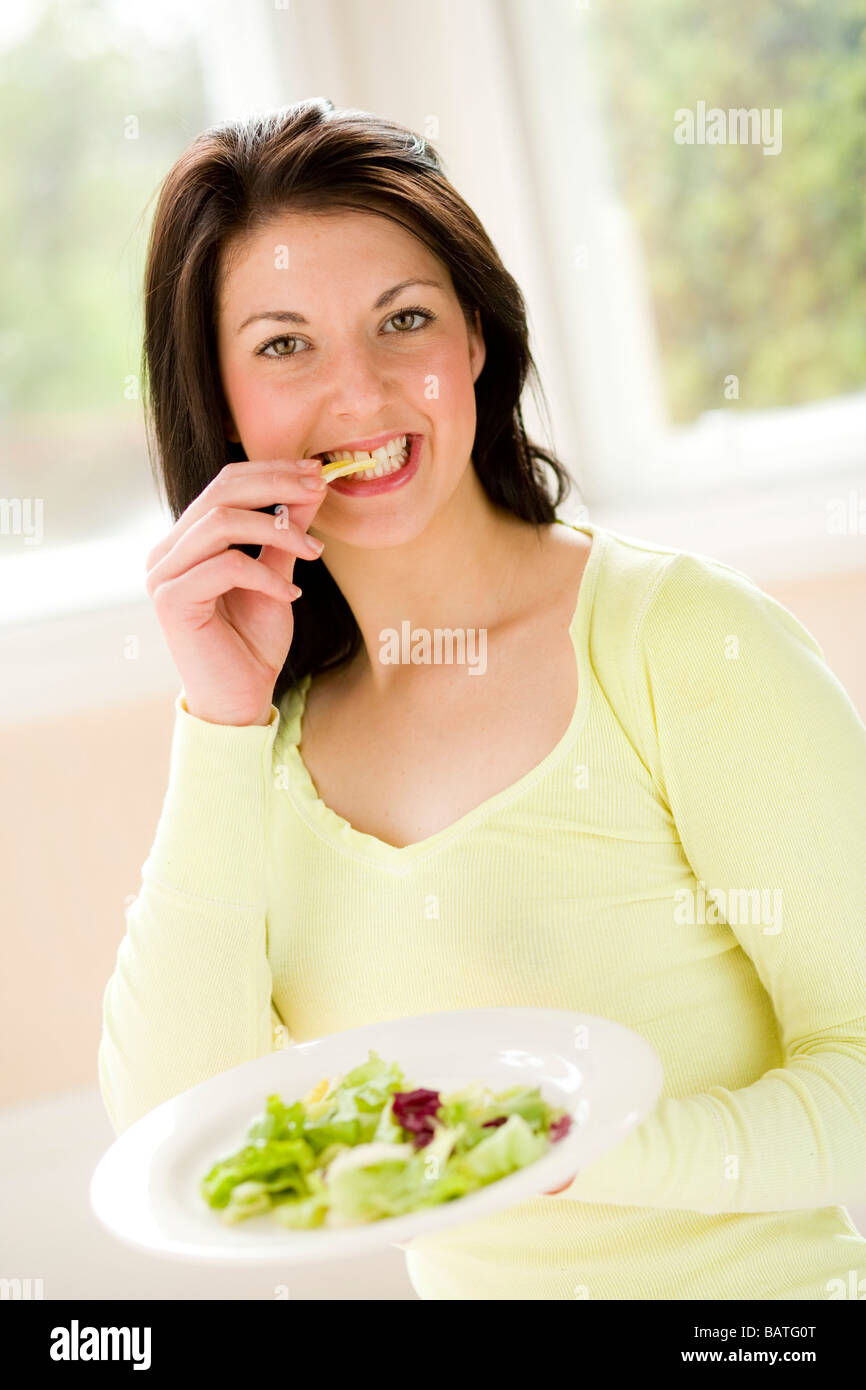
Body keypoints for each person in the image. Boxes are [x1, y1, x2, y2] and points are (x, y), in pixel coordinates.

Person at [99, 99, 866, 1300]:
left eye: (402, 319)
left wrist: (566, 1150)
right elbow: (166, 1127)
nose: (359, 392)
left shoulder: (681, 643)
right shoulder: (257, 741)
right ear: (218, 395)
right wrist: (218, 717)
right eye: (284, 344)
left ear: (474, 347)